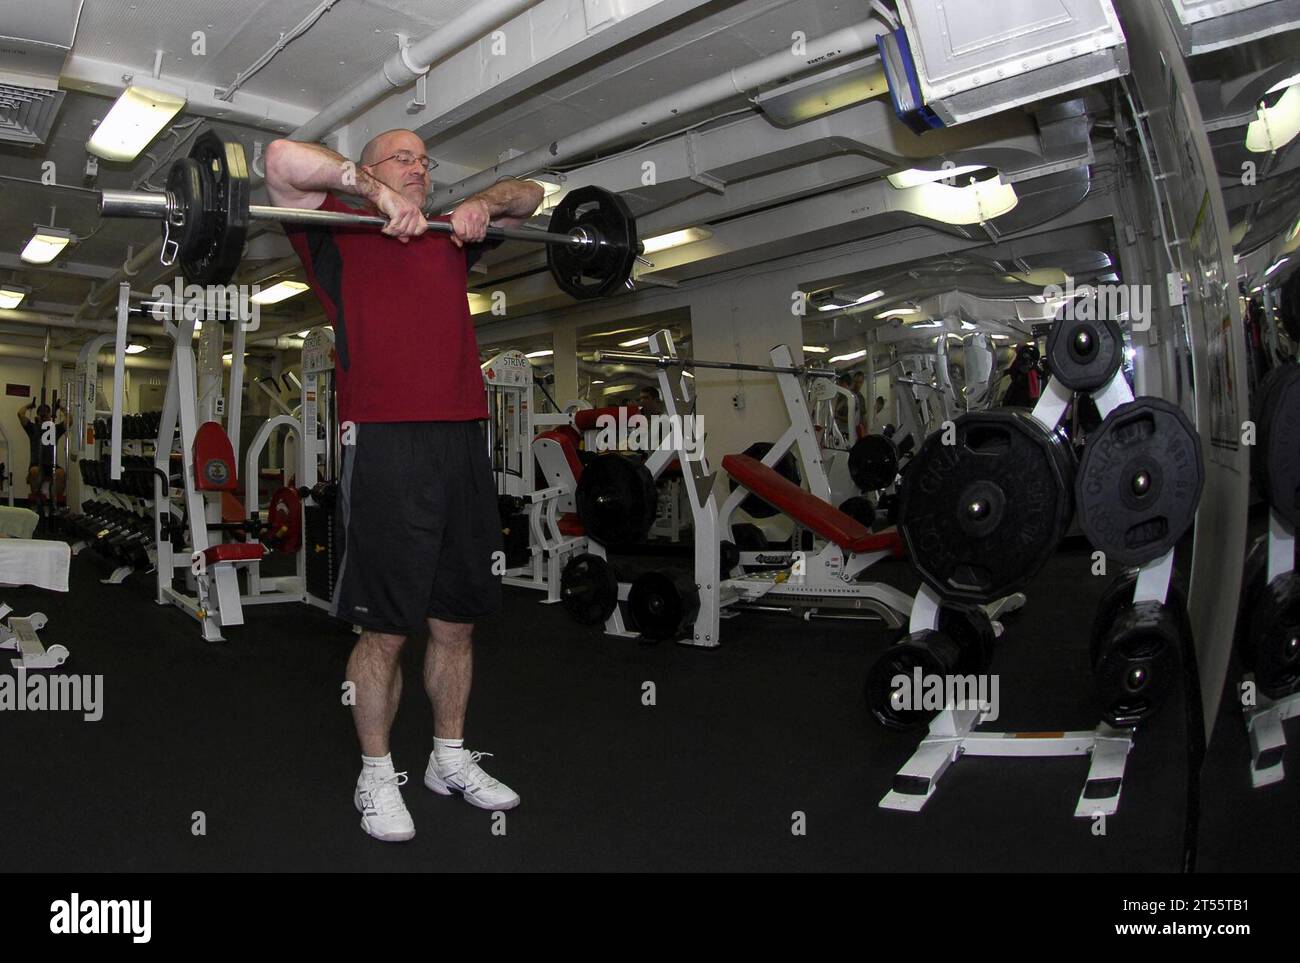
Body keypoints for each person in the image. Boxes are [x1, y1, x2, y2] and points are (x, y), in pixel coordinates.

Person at [266, 128, 544, 843]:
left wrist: (481, 203)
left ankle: (448, 757)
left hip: (462, 441)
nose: (420, 169)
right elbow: (277, 160)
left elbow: (533, 195)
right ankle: (375, 771)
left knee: (456, 620)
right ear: (372, 165)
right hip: (385, 441)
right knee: (384, 628)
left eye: (426, 161)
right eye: (405, 159)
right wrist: (369, 188)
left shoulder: (452, 234)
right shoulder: (336, 229)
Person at [18, 400, 66, 505]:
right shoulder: (33, 428)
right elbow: (20, 414)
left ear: (50, 416)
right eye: (42, 414)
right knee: (34, 471)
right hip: (36, 464)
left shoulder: (54, 429)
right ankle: (37, 501)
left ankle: (55, 503)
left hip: (51, 465)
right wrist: (29, 405)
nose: (44, 417)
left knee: (61, 474)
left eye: (47, 414)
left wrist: (61, 408)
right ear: (38, 416)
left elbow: (69, 421)